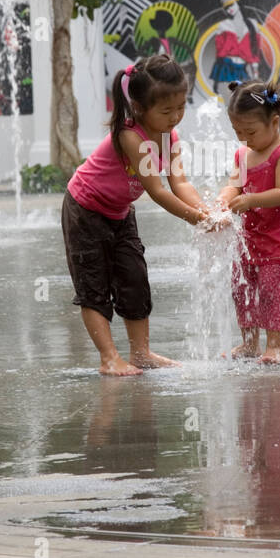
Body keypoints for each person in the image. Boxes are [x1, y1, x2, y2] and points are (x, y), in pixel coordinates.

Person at [63, 53, 216, 376]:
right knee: (94, 286)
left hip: (119, 211)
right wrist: (196, 219)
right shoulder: (130, 136)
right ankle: (109, 358)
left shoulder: (169, 136)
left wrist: (206, 210)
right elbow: (158, 191)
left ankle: (141, 353)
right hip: (85, 211)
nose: (175, 117)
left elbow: (180, 182)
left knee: (134, 277)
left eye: (181, 107)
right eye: (166, 111)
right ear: (138, 108)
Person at [217, 80, 280, 364]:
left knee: (269, 294)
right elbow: (234, 183)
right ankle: (249, 342)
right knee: (242, 291)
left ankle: (274, 346)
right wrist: (226, 196)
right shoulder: (243, 154)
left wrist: (251, 200)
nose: (244, 139)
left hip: (276, 243)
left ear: (274, 122)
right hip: (247, 241)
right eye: (238, 132)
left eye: (250, 132)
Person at [210, 0, 262, 99]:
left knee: (242, 100)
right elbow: (219, 50)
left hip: (243, 68)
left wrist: (255, 71)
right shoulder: (223, 25)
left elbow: (255, 48)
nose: (230, 9)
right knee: (229, 101)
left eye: (231, 5)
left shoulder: (252, 24)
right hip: (226, 66)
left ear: (238, 3)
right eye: (226, 8)